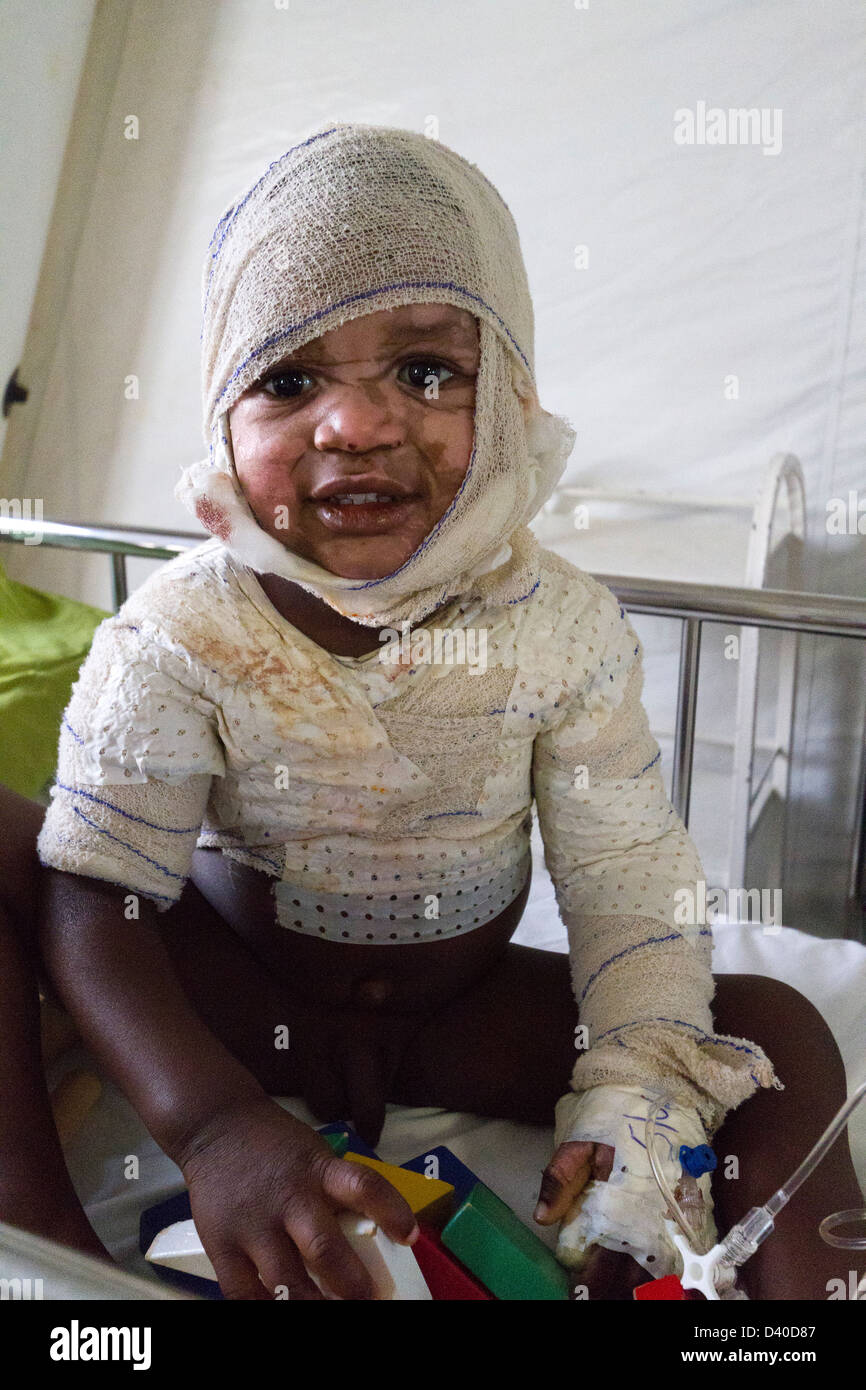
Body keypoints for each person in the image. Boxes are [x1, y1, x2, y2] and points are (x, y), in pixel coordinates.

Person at [1, 124, 861, 1301]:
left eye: (423, 371)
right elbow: (103, 894)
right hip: (235, 999)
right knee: (23, 852)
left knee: (769, 1028)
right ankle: (42, 1243)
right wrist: (210, 1125)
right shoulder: (179, 633)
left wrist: (634, 1091)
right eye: (290, 379)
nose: (354, 427)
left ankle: (788, 1309)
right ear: (221, 417)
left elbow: (624, 887)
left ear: (508, 395)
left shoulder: (559, 631)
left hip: (460, 1012)